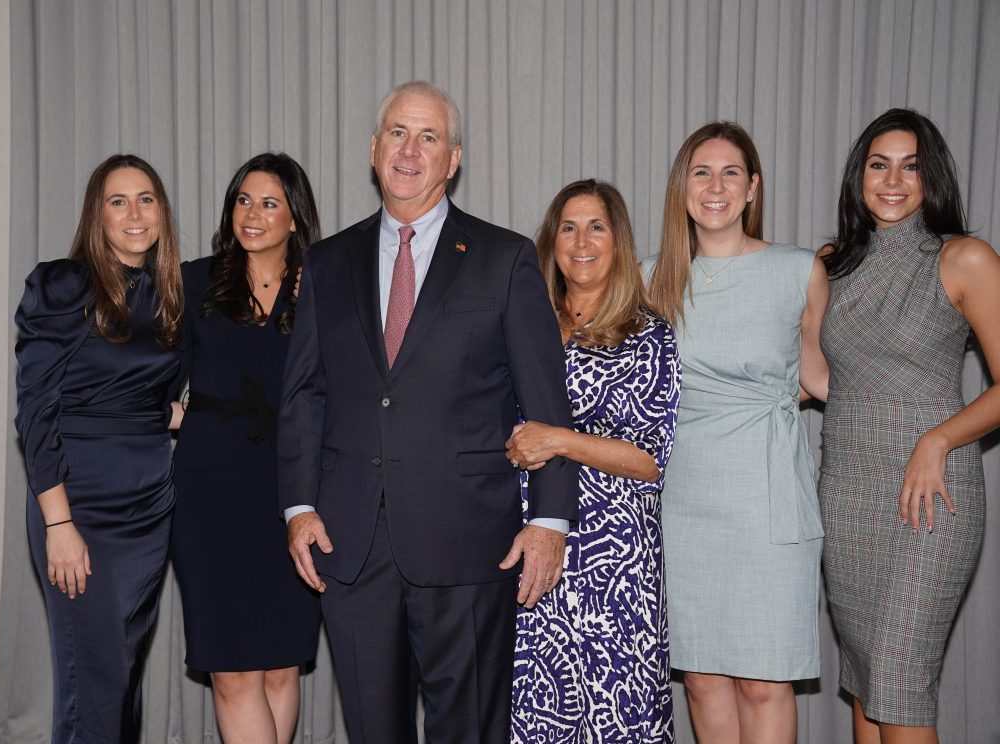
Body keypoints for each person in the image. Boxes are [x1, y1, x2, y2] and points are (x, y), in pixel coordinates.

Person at [277, 80, 580, 742]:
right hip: (350, 545)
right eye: (397, 133)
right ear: (373, 148)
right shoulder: (328, 263)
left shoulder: (503, 259)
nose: (410, 150)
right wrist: (299, 508)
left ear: (454, 158)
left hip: (470, 542)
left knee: (467, 730)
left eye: (429, 137)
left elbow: (544, 402)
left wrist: (552, 520)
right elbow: (305, 393)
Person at [642, 122, 829, 743]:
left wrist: (916, 424)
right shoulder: (650, 279)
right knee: (700, 678)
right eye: (701, 172)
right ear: (682, 188)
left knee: (764, 681)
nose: (715, 186)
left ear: (754, 188)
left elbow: (820, 376)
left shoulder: (797, 269)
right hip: (682, 497)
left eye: (730, 173)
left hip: (766, 493)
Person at [818, 108, 1000, 744]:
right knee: (869, 684)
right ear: (859, 176)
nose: (893, 180)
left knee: (901, 686)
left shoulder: (965, 258)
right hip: (845, 497)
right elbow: (818, 379)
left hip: (929, 496)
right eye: (878, 164)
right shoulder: (832, 263)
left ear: (933, 177)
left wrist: (939, 438)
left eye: (911, 166)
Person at [14, 154, 183, 743]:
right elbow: (36, 411)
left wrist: (167, 414)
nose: (135, 213)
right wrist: (58, 520)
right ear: (97, 215)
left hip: (149, 507)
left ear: (162, 211)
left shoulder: (168, 296)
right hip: (79, 507)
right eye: (118, 201)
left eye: (146, 199)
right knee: (92, 682)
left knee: (122, 676)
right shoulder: (66, 285)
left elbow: (126, 389)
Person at [508, 179, 681, 742]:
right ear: (551, 240)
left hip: (615, 565)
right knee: (534, 714)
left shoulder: (649, 334)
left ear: (619, 243)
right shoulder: (520, 327)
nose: (581, 241)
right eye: (568, 227)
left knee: (618, 716)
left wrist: (558, 440)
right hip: (525, 546)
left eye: (597, 227)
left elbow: (651, 458)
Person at [170, 153, 322, 744]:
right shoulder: (192, 280)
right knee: (232, 673)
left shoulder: (323, 288)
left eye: (269, 203)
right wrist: (160, 416)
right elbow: (149, 373)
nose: (252, 215)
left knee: (283, 665)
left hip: (297, 491)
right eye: (243, 200)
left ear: (294, 217)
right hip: (210, 491)